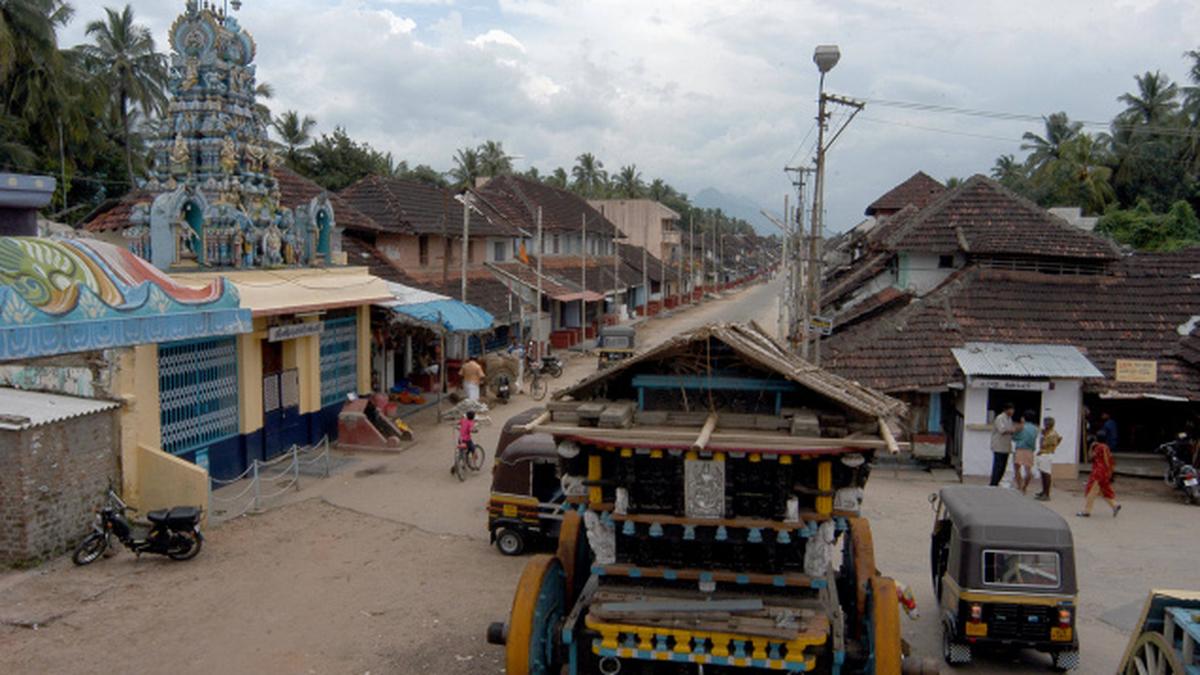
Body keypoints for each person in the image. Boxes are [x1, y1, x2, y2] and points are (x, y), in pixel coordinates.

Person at [1078, 430, 1121, 518]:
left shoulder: (1098, 447)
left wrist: (1091, 447)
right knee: (1103, 491)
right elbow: (1108, 461)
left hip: (1098, 473)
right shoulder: (1106, 447)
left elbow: (1090, 457)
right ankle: (1114, 505)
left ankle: (1087, 511)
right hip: (1105, 473)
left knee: (1091, 491)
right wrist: (1110, 472)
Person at [1035, 417, 1062, 501]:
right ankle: (1044, 491)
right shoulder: (1049, 433)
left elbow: (1043, 444)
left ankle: (1046, 494)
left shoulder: (1051, 434)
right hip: (1044, 454)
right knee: (1043, 473)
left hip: (1046, 454)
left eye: (1046, 423)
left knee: (1046, 474)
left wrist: (1043, 437)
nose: (1044, 425)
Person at [989, 403, 1016, 487]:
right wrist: (1014, 430)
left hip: (1006, 446)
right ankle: (993, 483)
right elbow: (1002, 430)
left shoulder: (1009, 419)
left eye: (1013, 409)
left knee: (1003, 466)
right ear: (1006, 410)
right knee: (998, 466)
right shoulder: (1000, 418)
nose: (1012, 411)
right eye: (1010, 409)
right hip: (999, 446)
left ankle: (997, 482)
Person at [1012, 410, 1038, 494]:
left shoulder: (1021, 427)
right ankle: (1025, 486)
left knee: (1017, 468)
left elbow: (1014, 437)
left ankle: (1019, 485)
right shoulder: (1035, 429)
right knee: (1028, 469)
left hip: (1020, 448)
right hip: (1030, 450)